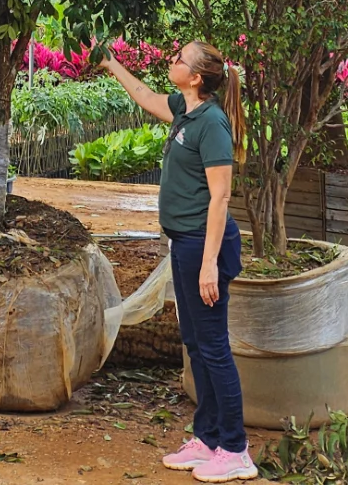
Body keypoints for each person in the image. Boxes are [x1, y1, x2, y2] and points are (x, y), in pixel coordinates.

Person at [100, 41, 254, 483]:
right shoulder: (185, 111)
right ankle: (207, 439)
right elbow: (145, 96)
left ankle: (236, 448)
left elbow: (221, 196)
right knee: (194, 343)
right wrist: (112, 64)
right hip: (184, 243)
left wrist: (209, 263)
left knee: (214, 347)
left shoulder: (212, 124)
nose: (172, 61)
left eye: (180, 59)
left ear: (197, 77)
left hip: (204, 246)